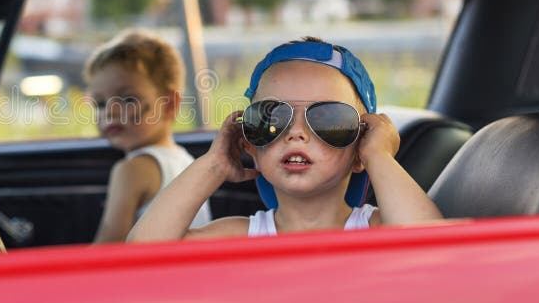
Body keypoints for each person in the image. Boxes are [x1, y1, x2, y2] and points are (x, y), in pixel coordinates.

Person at [128, 37, 443, 241]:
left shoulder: (374, 230)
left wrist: (379, 156)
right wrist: (213, 165)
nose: (296, 132)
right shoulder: (241, 238)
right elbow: (142, 252)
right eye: (271, 117)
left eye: (330, 119)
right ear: (249, 141)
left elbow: (433, 247)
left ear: (359, 146)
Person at [85, 29, 212, 243]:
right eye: (100, 103)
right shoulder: (186, 161)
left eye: (127, 100)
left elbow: (107, 252)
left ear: (170, 104)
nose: (111, 111)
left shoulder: (131, 171)